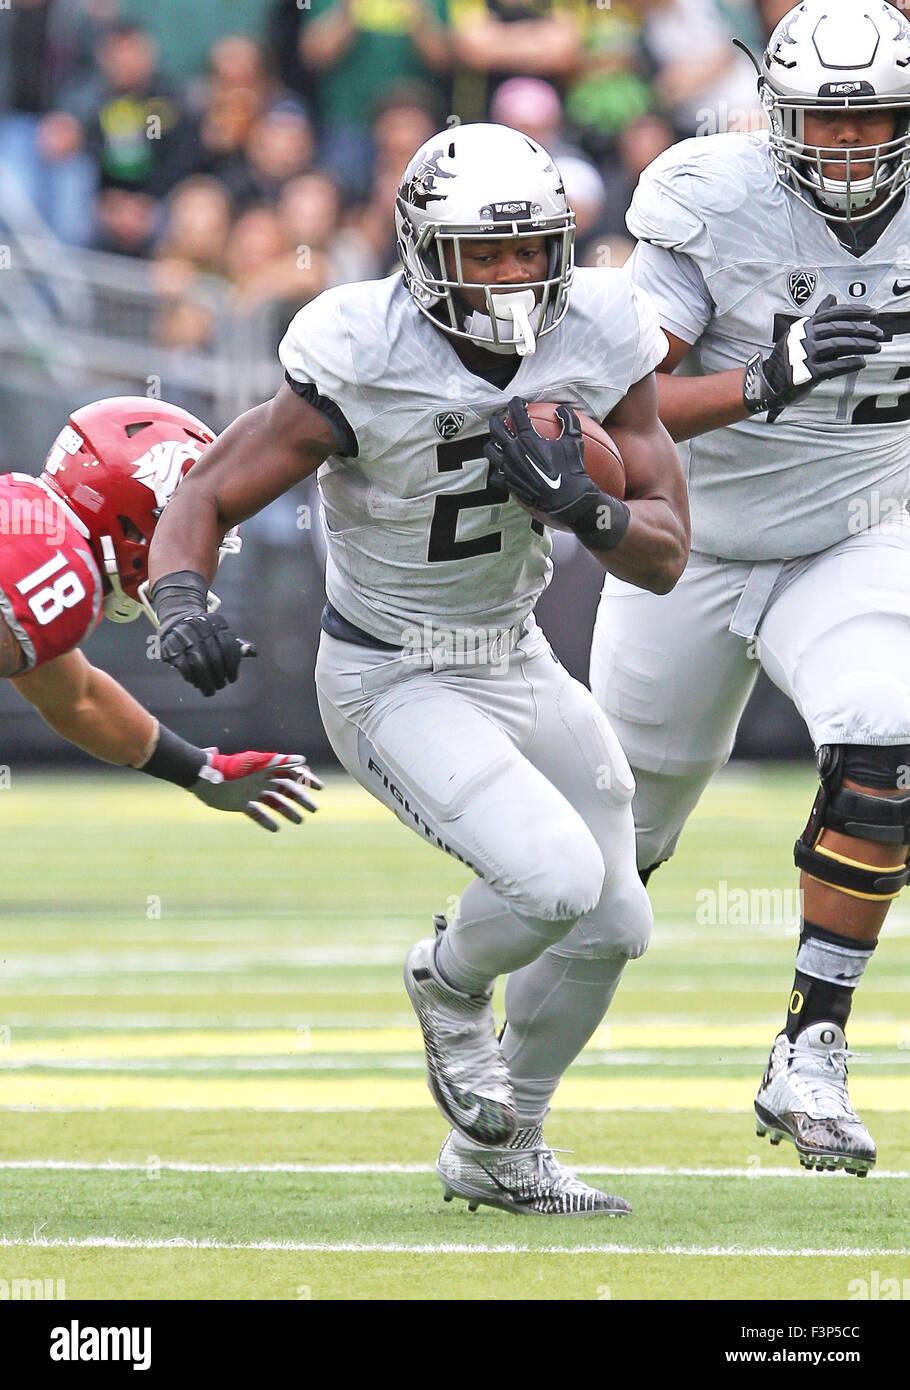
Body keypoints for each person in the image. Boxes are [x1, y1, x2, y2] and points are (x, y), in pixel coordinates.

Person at [146, 121, 689, 1216]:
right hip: (389, 674)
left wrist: (583, 505)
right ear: (418, 251)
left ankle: (501, 1151)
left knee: (614, 921)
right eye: (479, 255)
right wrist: (177, 597)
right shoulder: (360, 349)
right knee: (549, 879)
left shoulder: (601, 328)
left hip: (514, 653)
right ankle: (446, 984)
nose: (506, 276)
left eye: (526, 250)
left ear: (563, 247)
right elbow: (206, 491)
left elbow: (666, 548)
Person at [590, 0, 910, 1176]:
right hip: (688, 546)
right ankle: (503, 1073)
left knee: (885, 738)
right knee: (607, 860)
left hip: (852, 533)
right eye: (818, 120)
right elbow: (614, 402)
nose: (839, 144)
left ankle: (810, 1045)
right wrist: (761, 379)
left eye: (864, 114)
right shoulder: (712, 194)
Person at [1, 396, 320, 832]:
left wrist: (202, 771)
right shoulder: (58, 567)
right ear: (136, 523)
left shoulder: (33, 529)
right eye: (195, 526)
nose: (198, 551)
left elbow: (79, 699)